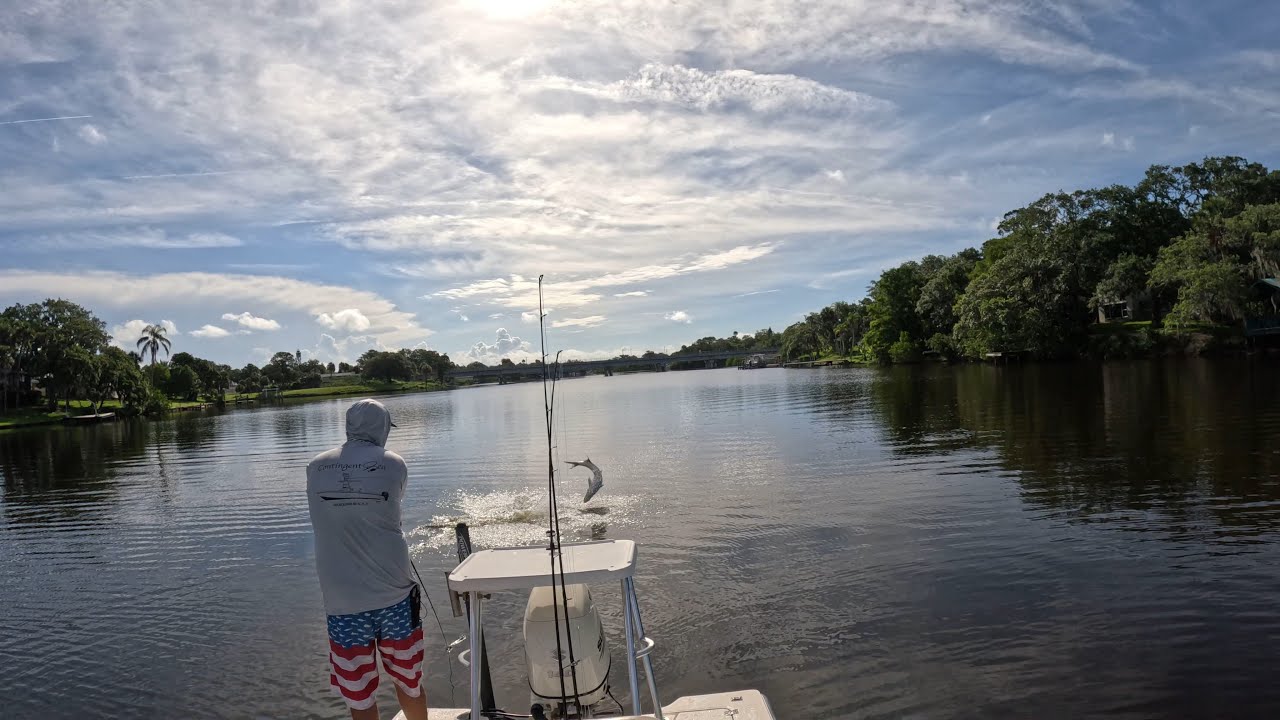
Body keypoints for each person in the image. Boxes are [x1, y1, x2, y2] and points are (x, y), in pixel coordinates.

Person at [307, 398, 428, 720]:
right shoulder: (395, 464)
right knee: (410, 682)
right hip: (395, 598)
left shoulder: (316, 466)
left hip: (343, 604)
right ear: (383, 428)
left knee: (358, 696)